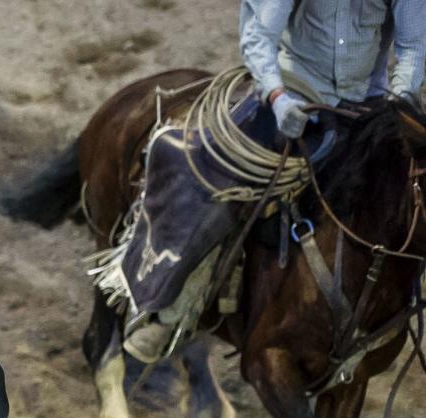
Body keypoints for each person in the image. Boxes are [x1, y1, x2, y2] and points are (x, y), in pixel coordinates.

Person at [118, 0, 426, 363]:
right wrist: (278, 99)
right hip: (294, 92)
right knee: (216, 178)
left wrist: (399, 105)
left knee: (409, 197)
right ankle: (170, 304)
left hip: (368, 105)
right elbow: (259, 37)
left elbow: (412, 45)